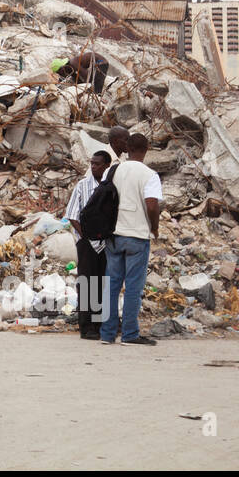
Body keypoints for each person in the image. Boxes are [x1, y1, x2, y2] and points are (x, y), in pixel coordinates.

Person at [100, 133, 162, 346]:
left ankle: (107, 334)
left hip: (115, 234)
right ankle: (129, 334)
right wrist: (154, 227)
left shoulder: (113, 170)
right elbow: (152, 204)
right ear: (147, 149)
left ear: (127, 148)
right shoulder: (150, 175)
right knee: (133, 287)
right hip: (137, 236)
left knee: (112, 286)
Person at [66, 150, 111, 340]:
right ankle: (86, 326)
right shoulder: (82, 186)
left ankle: (101, 323)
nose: (93, 167)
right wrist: (87, 237)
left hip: (106, 242)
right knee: (86, 283)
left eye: (98, 164)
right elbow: (72, 215)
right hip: (86, 243)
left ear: (106, 166)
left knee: (103, 282)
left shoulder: (111, 188)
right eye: (92, 163)